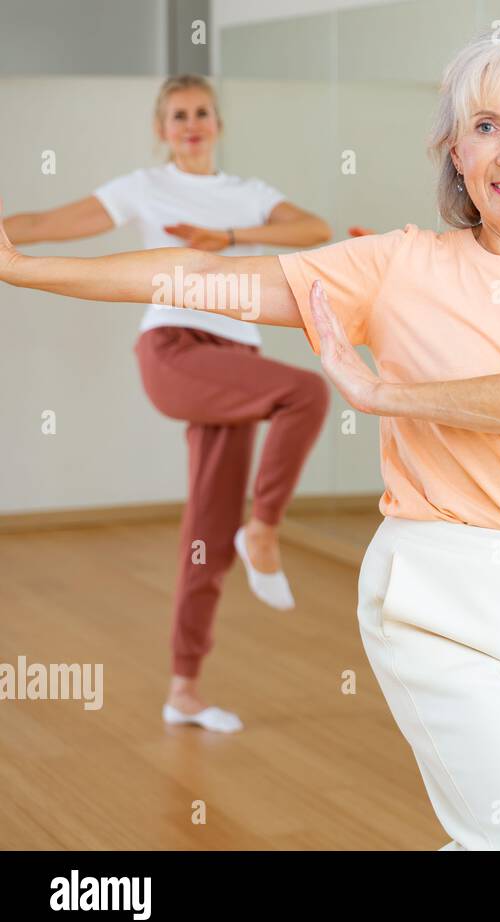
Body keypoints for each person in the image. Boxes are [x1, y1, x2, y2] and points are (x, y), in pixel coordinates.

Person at [1, 22, 500, 849]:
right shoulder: (396, 265)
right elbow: (205, 279)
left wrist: (388, 393)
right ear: (455, 154)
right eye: (484, 127)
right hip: (437, 593)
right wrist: (27, 267)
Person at [0, 74, 332, 733]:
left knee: (207, 534)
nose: (191, 124)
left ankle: (183, 690)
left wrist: (227, 239)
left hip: (237, 361)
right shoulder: (142, 185)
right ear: (161, 128)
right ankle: (263, 529)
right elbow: (47, 224)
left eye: (201, 112)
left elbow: (313, 228)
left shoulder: (248, 196)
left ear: (217, 123)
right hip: (175, 350)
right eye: (177, 115)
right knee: (309, 392)